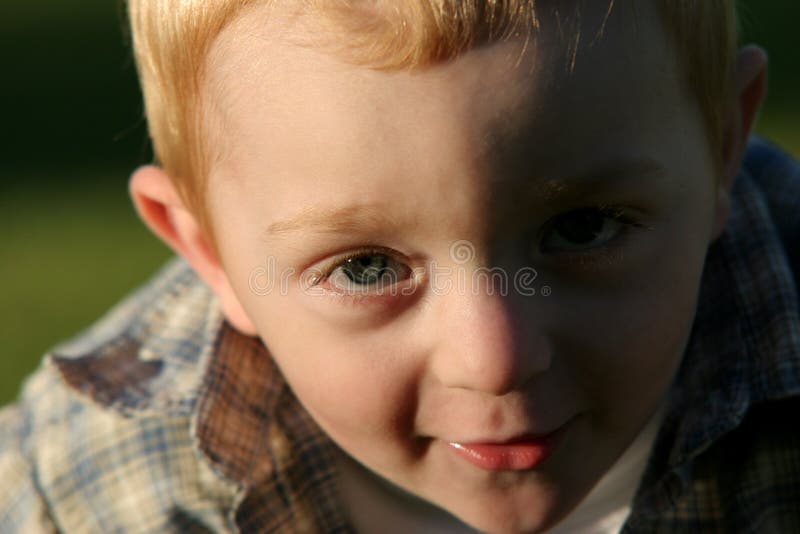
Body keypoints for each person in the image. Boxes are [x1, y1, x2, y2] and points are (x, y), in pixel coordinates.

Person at [1, 0, 799, 532]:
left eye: (584, 227)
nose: (495, 360)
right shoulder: (81, 496)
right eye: (364, 269)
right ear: (209, 253)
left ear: (723, 146)